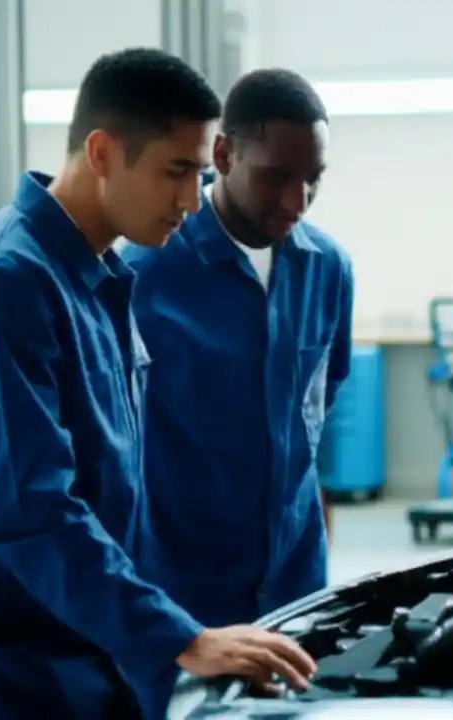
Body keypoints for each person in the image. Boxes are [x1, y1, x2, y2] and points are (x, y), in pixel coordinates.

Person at [0, 49, 316, 720]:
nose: (189, 199)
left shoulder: (98, 280)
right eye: (175, 171)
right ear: (102, 151)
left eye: (200, 174)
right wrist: (180, 635)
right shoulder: (1, 285)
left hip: (79, 632)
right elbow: (30, 511)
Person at [120, 69, 352, 632]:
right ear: (222, 156)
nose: (298, 201)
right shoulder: (141, 274)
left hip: (295, 579)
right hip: (182, 590)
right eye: (276, 177)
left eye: (313, 179)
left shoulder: (327, 268)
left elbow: (325, 395)